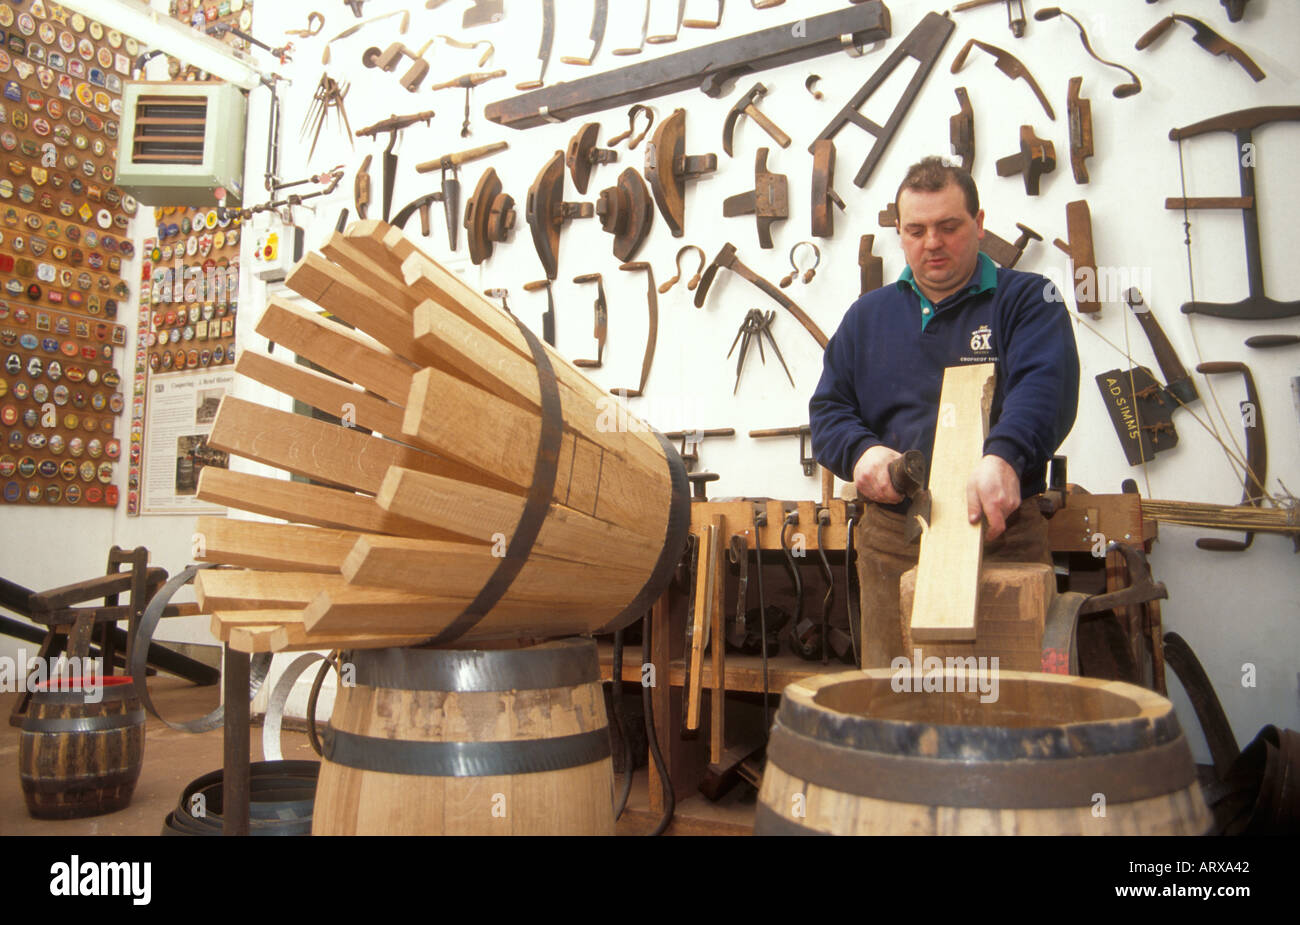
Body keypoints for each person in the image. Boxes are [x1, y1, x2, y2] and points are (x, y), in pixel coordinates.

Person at [809, 156, 1079, 668]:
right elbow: (828, 410)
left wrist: (1004, 455)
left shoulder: (1027, 300)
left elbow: (1045, 387)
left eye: (948, 226)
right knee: (895, 706)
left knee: (1015, 705)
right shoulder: (868, 317)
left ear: (978, 224)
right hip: (893, 540)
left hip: (1000, 532)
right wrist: (860, 453)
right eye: (916, 230)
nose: (931, 242)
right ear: (900, 233)